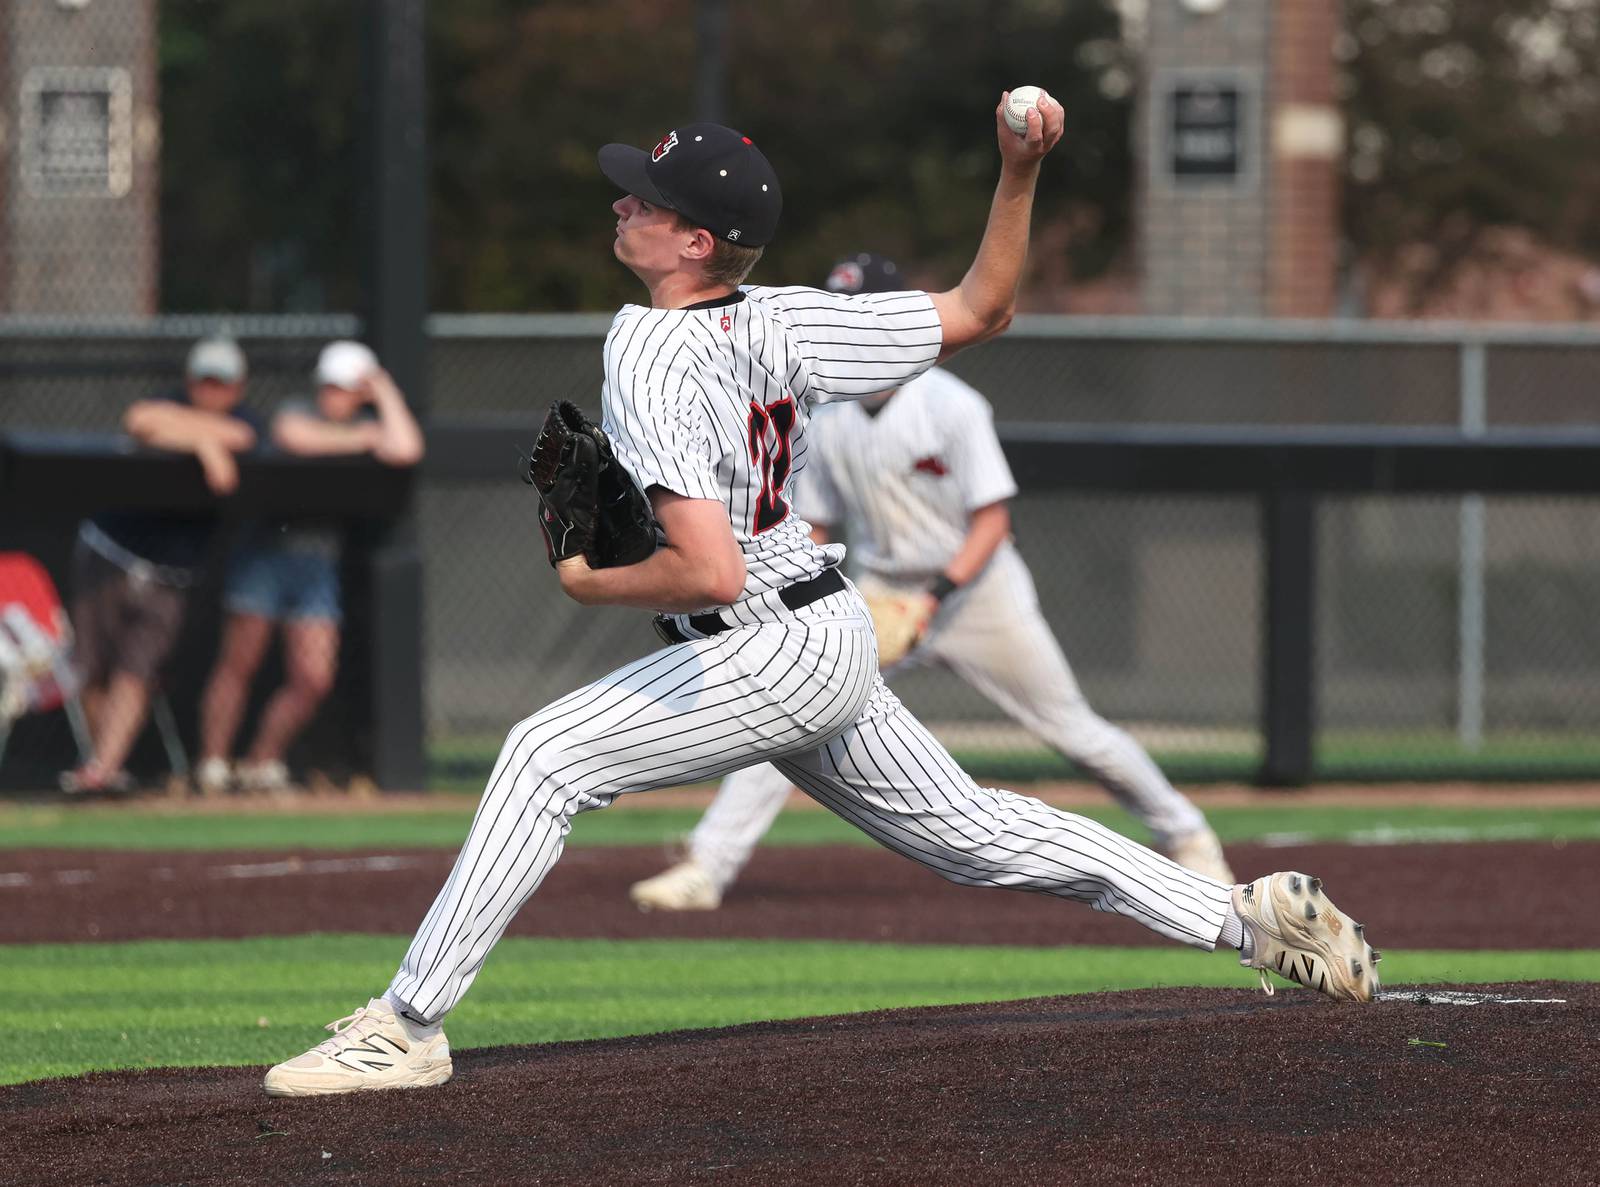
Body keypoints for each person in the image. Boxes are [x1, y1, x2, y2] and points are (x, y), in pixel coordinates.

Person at [263, 95, 1381, 1098]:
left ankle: (407, 1023)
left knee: (544, 756)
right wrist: (1018, 170)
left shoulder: (647, 346)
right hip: (823, 625)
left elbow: (708, 571)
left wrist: (586, 577)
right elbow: (983, 308)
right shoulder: (787, 316)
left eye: (643, 198)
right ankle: (1238, 917)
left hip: (763, 638)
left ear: (694, 239)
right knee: (976, 833)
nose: (622, 203)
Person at [628, 254, 1233, 911]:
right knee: (789, 709)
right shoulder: (824, 416)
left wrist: (933, 597)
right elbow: (817, 523)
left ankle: (1189, 836)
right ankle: (707, 867)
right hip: (880, 586)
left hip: (978, 592)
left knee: (1073, 730)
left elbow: (992, 521)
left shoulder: (952, 404)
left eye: (860, 308)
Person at [195, 341, 424, 795]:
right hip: (266, 553)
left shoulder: (371, 420)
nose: (333, 397)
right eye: (329, 387)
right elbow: (290, 434)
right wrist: (362, 439)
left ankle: (261, 761)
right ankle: (213, 765)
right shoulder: (302, 412)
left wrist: (383, 392)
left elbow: (407, 448)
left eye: (345, 390)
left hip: (317, 563)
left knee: (314, 679)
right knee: (239, 663)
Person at [63, 337, 262, 794]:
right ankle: (101, 765)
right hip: (111, 550)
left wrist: (194, 436)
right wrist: (206, 444)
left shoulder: (248, 420)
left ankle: (102, 770)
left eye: (222, 384)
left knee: (138, 668)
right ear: (190, 380)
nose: (211, 391)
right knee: (91, 667)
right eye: (204, 381)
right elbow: (140, 419)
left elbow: (243, 437)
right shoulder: (166, 401)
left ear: (239, 387)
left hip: (170, 572)